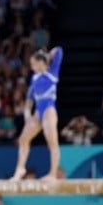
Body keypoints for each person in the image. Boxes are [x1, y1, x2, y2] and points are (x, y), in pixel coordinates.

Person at [12, 47, 64, 181]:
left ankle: (52, 174)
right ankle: (20, 169)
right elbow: (30, 97)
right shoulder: (34, 77)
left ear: (40, 62)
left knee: (52, 142)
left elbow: (59, 50)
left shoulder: (52, 70)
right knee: (23, 139)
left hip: (48, 110)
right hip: (37, 113)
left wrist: (45, 55)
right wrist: (27, 113)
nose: (31, 66)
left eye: (33, 63)